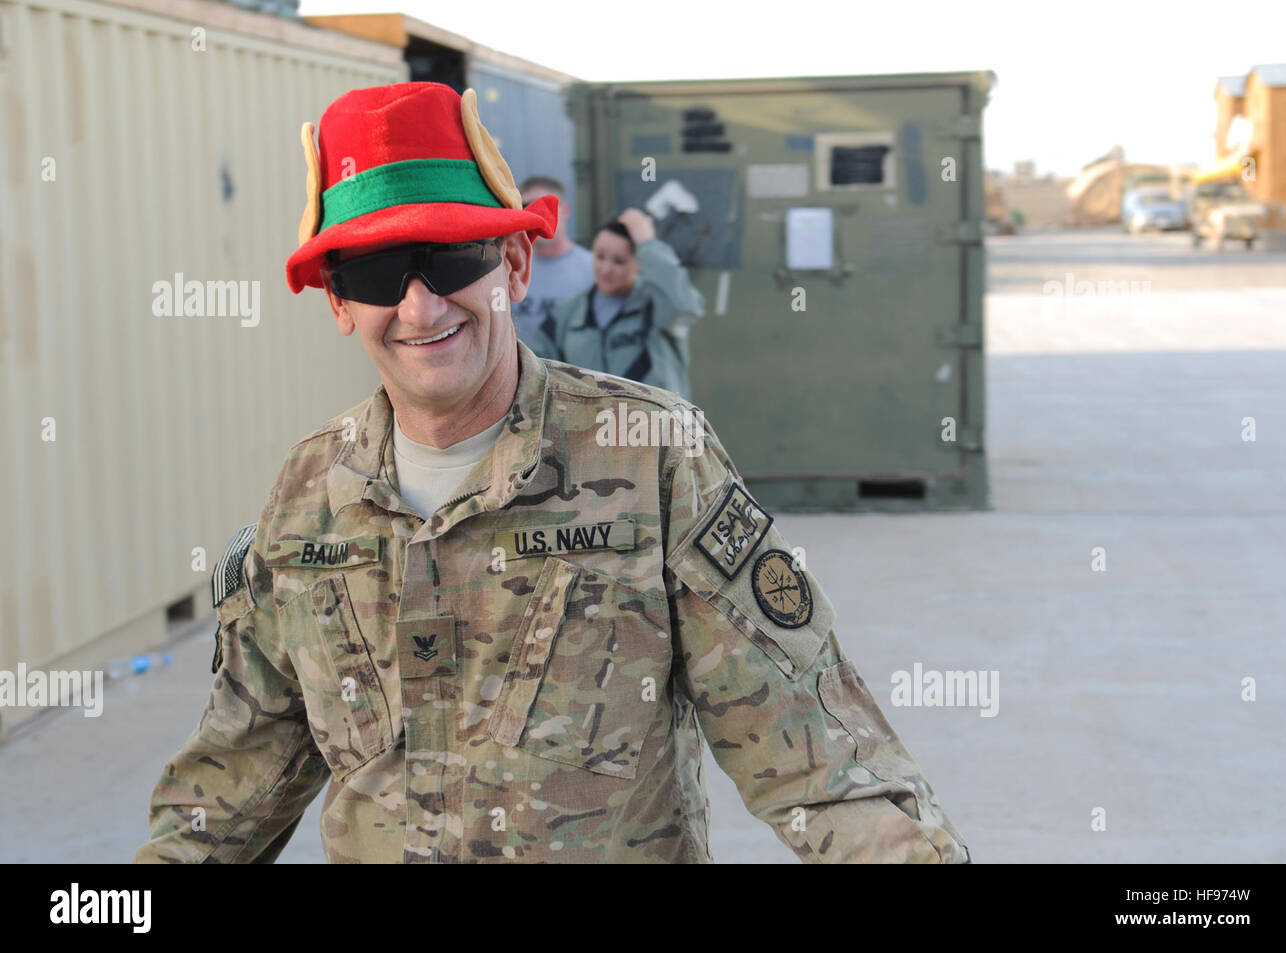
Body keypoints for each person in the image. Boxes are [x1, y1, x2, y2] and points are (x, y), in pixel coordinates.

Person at [132, 81, 970, 864]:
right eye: (379, 272)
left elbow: (819, 762)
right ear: (338, 302)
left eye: (453, 257)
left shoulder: (651, 455)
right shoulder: (307, 494)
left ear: (516, 267)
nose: (422, 305)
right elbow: (234, 782)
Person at [544, 210, 704, 400]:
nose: (606, 269)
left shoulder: (656, 303)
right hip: (592, 427)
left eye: (619, 261)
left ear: (639, 263)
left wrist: (647, 243)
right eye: (600, 256)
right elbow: (539, 370)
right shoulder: (567, 314)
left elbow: (685, 307)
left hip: (655, 426)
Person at [511, 174, 592, 359]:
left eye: (547, 206)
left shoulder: (595, 269)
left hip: (576, 381)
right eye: (527, 207)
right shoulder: (510, 267)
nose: (539, 215)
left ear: (566, 211)